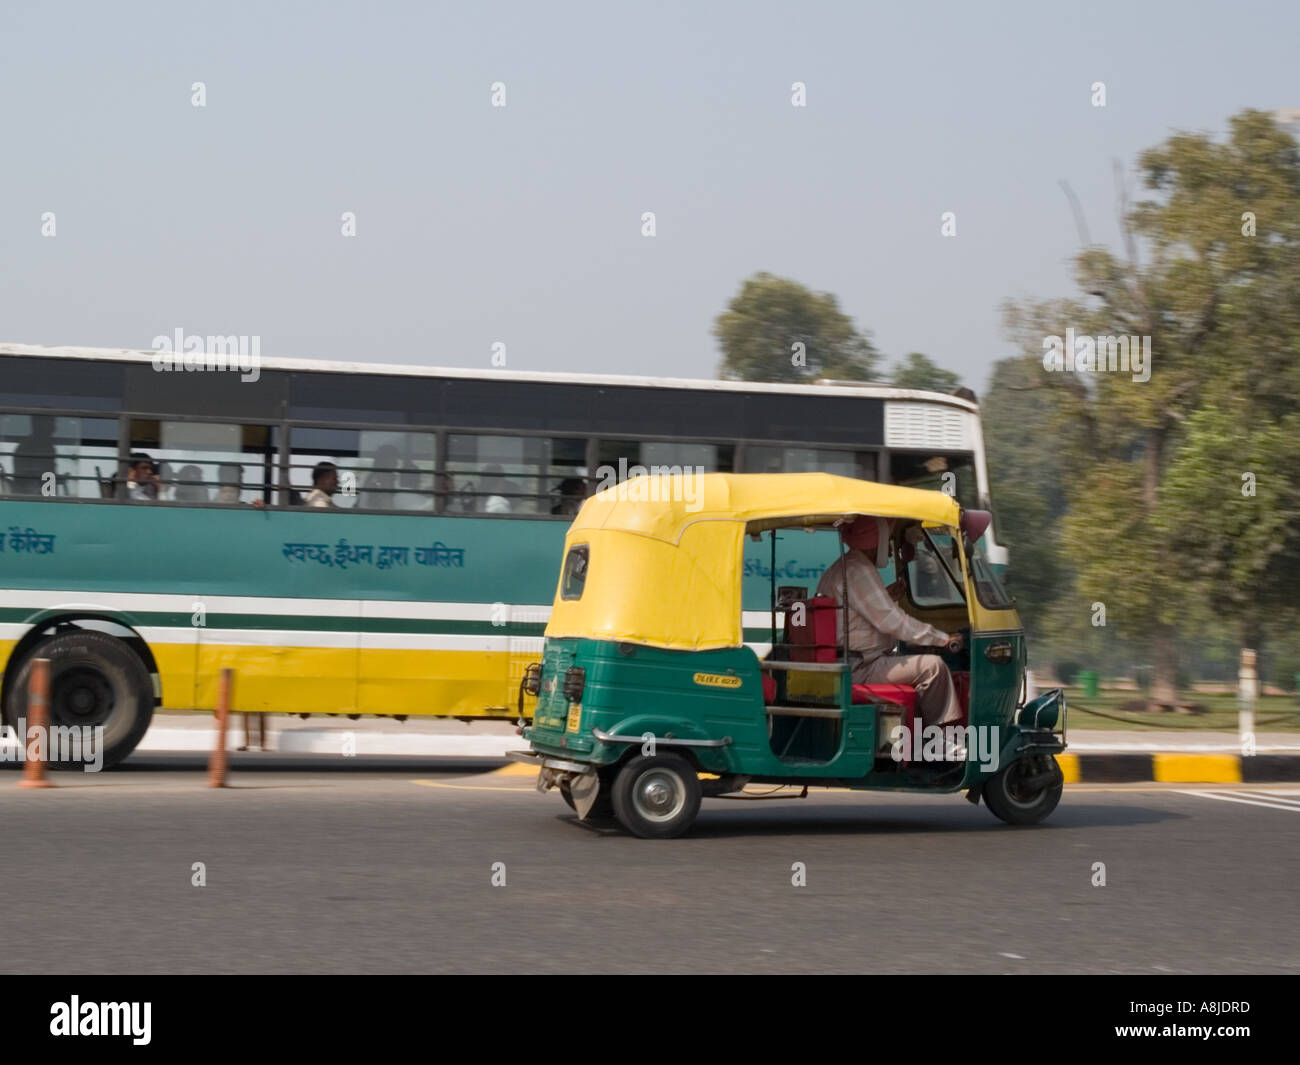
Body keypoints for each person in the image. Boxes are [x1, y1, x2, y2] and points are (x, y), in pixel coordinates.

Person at [815, 515, 964, 732]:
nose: (892, 552)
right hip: (860, 666)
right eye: (889, 542)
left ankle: (919, 738)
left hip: (853, 661)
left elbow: (857, 613)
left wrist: (886, 596)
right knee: (934, 668)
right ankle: (943, 742)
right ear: (878, 540)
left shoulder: (846, 566)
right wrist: (943, 639)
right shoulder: (859, 570)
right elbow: (892, 622)